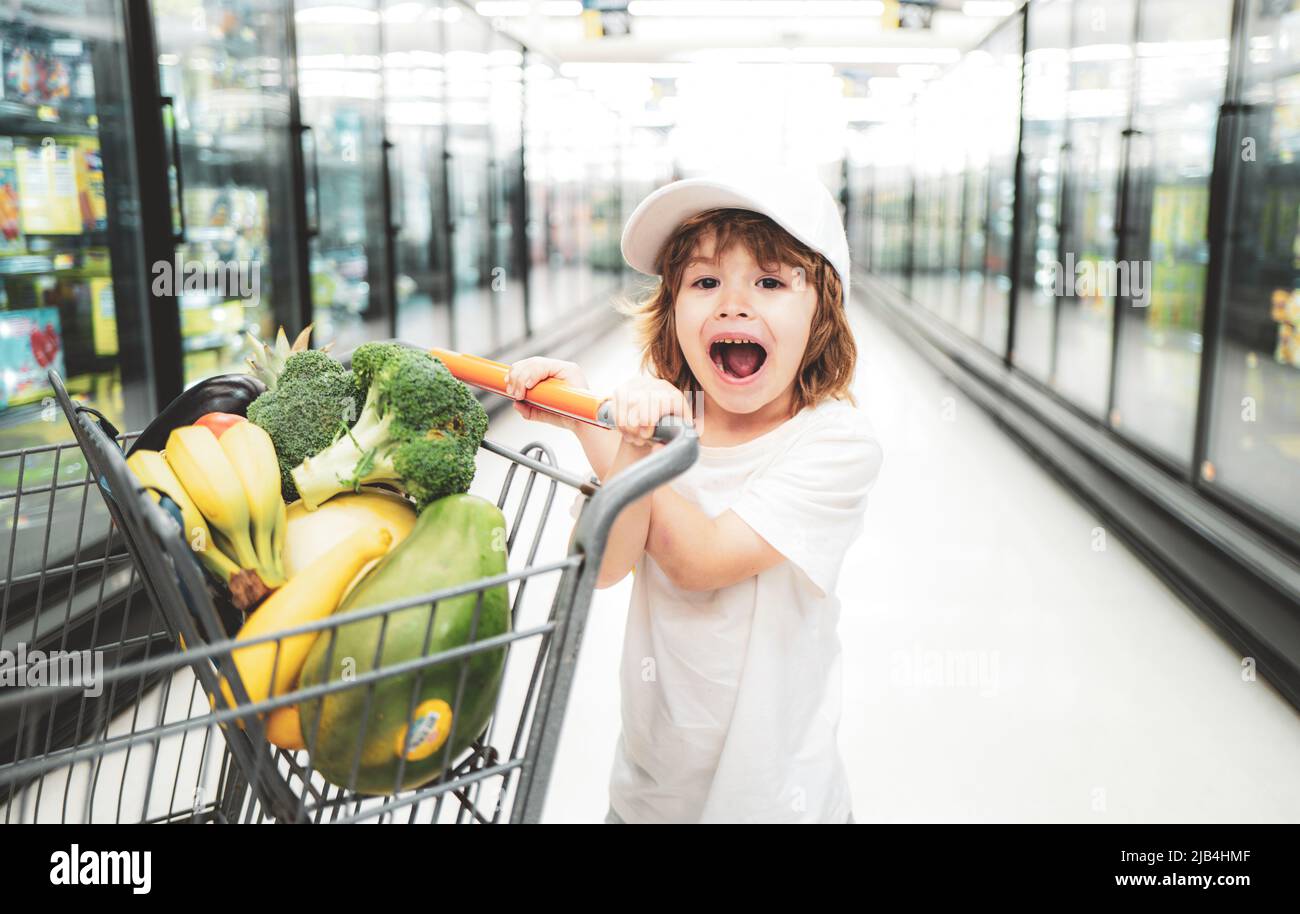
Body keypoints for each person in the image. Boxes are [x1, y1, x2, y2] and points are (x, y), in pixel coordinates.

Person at [504, 168, 883, 824]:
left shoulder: (834, 444)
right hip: (651, 794)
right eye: (705, 282)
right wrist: (597, 424)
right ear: (672, 312)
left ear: (822, 311)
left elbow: (698, 560)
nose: (732, 305)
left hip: (777, 799)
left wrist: (640, 441)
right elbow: (608, 561)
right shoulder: (664, 420)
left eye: (769, 281)